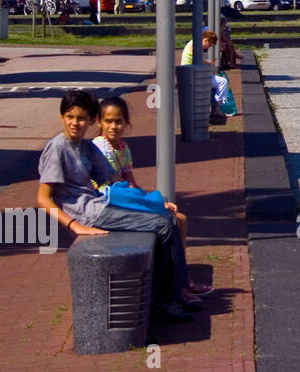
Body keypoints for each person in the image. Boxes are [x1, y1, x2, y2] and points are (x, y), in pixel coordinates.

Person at [36, 89, 197, 324]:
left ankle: (175, 295)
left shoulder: (87, 147)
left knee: (168, 219)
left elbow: (115, 182)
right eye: (70, 117)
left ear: (91, 121)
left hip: (100, 205)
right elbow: (43, 199)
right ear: (62, 117)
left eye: (81, 118)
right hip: (88, 214)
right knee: (163, 226)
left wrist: (155, 202)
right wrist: (75, 226)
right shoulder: (57, 148)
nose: (75, 123)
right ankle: (165, 302)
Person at [92, 95, 212, 301]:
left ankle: (180, 278)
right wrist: (153, 203)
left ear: (126, 122)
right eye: (108, 121)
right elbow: (111, 187)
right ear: (99, 122)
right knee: (174, 221)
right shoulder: (100, 147)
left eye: (118, 121)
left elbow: (131, 183)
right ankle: (180, 284)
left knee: (179, 219)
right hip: (109, 203)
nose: (114, 126)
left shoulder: (122, 147)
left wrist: (152, 201)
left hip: (123, 199)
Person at [182, 29, 232, 121]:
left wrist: (207, 63)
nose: (208, 47)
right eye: (209, 45)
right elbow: (196, 58)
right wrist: (207, 64)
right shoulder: (195, 45)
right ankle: (216, 107)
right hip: (192, 76)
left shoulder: (192, 43)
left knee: (218, 81)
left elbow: (196, 58)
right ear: (206, 40)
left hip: (189, 73)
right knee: (222, 82)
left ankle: (216, 106)